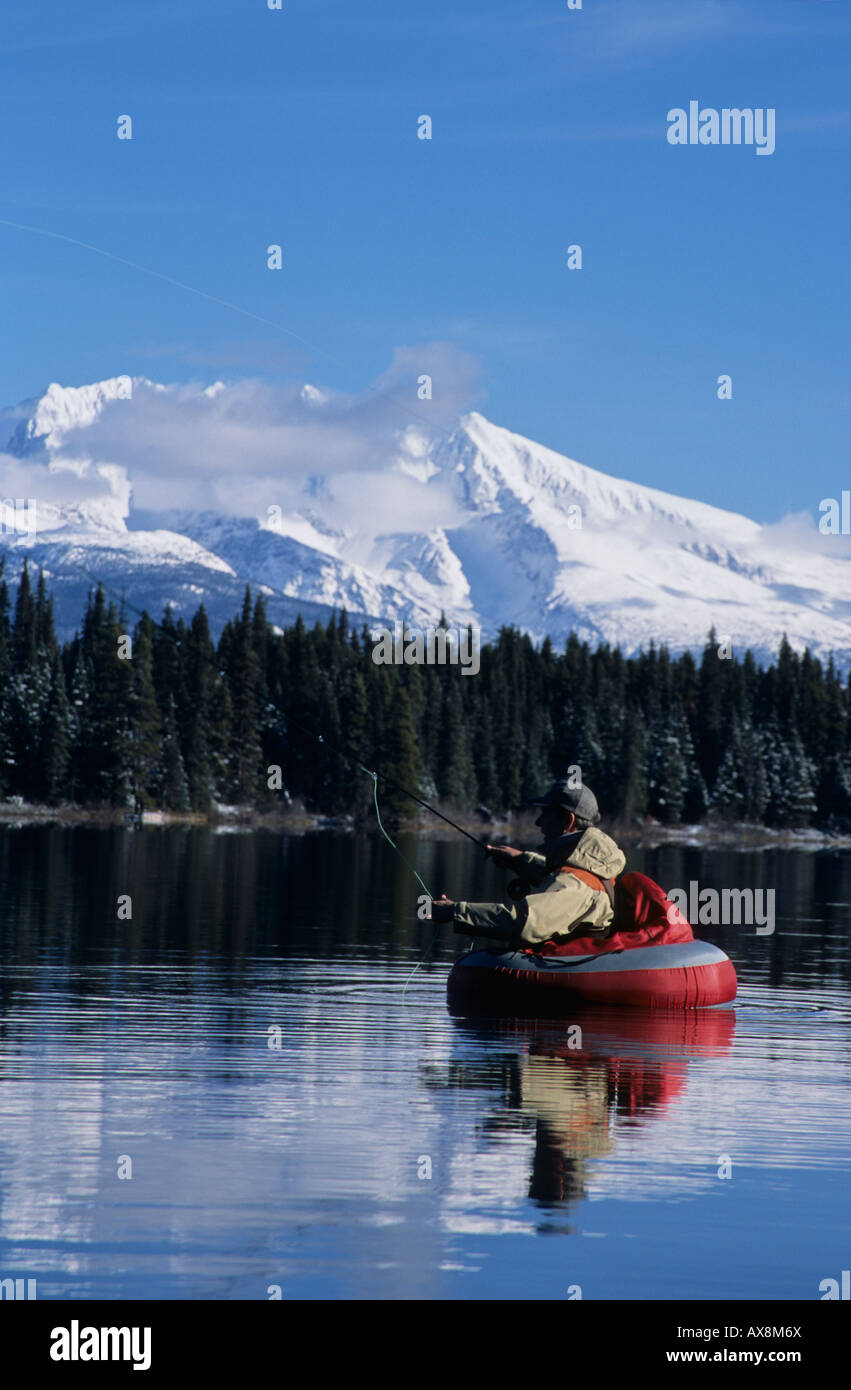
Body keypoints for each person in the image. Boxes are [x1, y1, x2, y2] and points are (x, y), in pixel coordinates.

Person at [430, 779, 627, 949]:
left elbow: (524, 922)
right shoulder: (593, 865)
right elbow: (556, 874)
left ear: (568, 821)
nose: (538, 822)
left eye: (546, 814)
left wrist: (454, 911)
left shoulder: (575, 885)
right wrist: (518, 860)